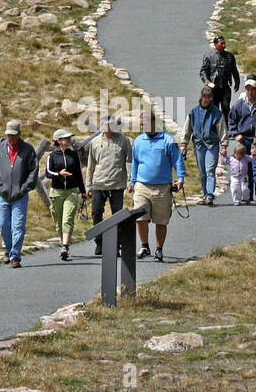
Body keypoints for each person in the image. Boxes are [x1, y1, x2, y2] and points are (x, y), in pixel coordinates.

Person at [129, 109, 186, 262]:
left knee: (161, 221)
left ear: (153, 123)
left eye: (144, 124)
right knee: (140, 218)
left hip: (162, 187)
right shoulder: (139, 141)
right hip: (142, 185)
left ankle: (159, 249)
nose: (142, 128)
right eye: (140, 125)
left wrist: (180, 178)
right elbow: (135, 162)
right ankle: (144, 246)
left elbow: (178, 161)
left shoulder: (168, 139)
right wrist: (132, 182)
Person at [0, 119, 37, 268]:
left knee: (18, 226)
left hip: (20, 196)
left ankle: (15, 255)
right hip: (2, 195)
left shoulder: (28, 150)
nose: (11, 138)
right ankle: (7, 249)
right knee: (3, 224)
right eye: (9, 135)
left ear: (19, 134)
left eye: (14, 135)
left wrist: (24, 188)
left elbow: (33, 171)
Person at [86, 115, 131, 256]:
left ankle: (116, 245)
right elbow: (91, 165)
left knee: (117, 215)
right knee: (96, 213)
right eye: (105, 125)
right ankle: (99, 243)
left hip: (117, 184)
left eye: (111, 125)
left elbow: (129, 162)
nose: (108, 128)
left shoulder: (124, 141)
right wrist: (88, 185)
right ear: (101, 126)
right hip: (99, 183)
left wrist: (130, 181)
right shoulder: (94, 142)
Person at [45, 129, 87, 261]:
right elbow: (48, 173)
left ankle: (65, 247)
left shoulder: (74, 155)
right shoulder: (51, 156)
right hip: (56, 191)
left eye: (69, 138)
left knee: (67, 219)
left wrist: (83, 190)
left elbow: (79, 174)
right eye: (65, 138)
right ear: (58, 141)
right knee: (58, 222)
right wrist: (59, 174)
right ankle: (63, 242)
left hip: (72, 191)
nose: (69, 140)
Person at [183, 87, 225, 205]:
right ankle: (206, 194)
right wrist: (184, 144)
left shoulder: (216, 113)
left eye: (209, 97)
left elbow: (222, 130)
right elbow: (187, 129)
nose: (207, 99)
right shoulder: (193, 112)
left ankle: (210, 195)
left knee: (210, 170)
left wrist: (224, 145)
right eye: (205, 97)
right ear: (201, 97)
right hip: (199, 145)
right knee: (202, 173)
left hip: (212, 145)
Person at [227, 76, 256, 202]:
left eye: (252, 89)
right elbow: (231, 119)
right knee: (246, 168)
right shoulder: (240, 104)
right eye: (247, 89)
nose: (250, 92)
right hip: (244, 140)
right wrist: (235, 133)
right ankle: (247, 193)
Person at [200, 34, 241, 118]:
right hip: (213, 88)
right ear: (215, 44)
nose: (223, 45)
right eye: (221, 43)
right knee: (213, 108)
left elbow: (234, 70)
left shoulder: (230, 56)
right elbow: (203, 71)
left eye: (224, 43)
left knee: (226, 108)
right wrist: (207, 81)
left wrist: (237, 82)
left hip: (225, 87)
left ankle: (227, 128)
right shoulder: (209, 56)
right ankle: (214, 127)